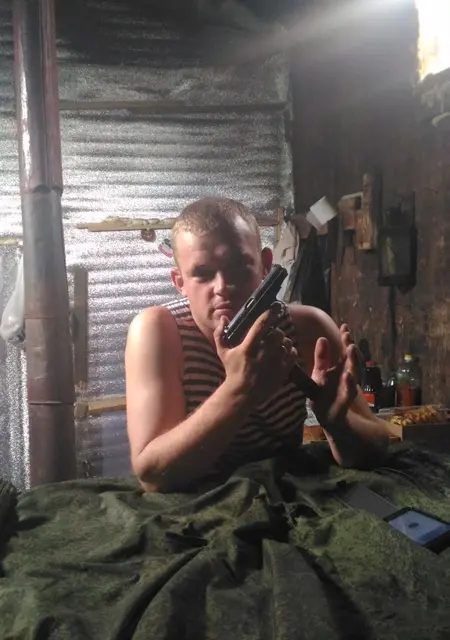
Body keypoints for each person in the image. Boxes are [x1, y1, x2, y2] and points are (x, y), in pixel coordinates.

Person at [125, 197, 389, 492]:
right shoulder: (160, 332)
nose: (222, 287)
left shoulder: (307, 328)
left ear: (265, 265)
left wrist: (338, 424)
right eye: (202, 274)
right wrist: (239, 392)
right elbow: (152, 476)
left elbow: (377, 447)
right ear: (179, 282)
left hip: (288, 495)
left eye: (239, 267)